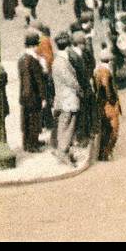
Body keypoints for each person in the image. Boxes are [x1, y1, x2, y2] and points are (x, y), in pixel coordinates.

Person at [51, 33, 80, 166]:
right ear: (67, 46)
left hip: (66, 98)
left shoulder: (59, 60)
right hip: (67, 99)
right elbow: (70, 80)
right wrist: (79, 88)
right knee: (67, 126)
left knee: (65, 125)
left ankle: (64, 151)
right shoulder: (61, 62)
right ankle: (63, 152)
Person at [18, 33, 48, 153]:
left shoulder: (22, 59)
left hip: (24, 95)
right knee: (34, 121)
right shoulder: (33, 61)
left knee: (26, 120)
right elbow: (38, 81)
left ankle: (26, 143)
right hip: (33, 96)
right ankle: (33, 144)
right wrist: (43, 96)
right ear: (34, 45)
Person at [93, 49, 122, 162]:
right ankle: (106, 152)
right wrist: (111, 100)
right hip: (108, 104)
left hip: (100, 103)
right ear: (110, 60)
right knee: (114, 129)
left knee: (104, 128)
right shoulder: (106, 71)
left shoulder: (97, 70)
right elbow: (106, 86)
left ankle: (102, 152)